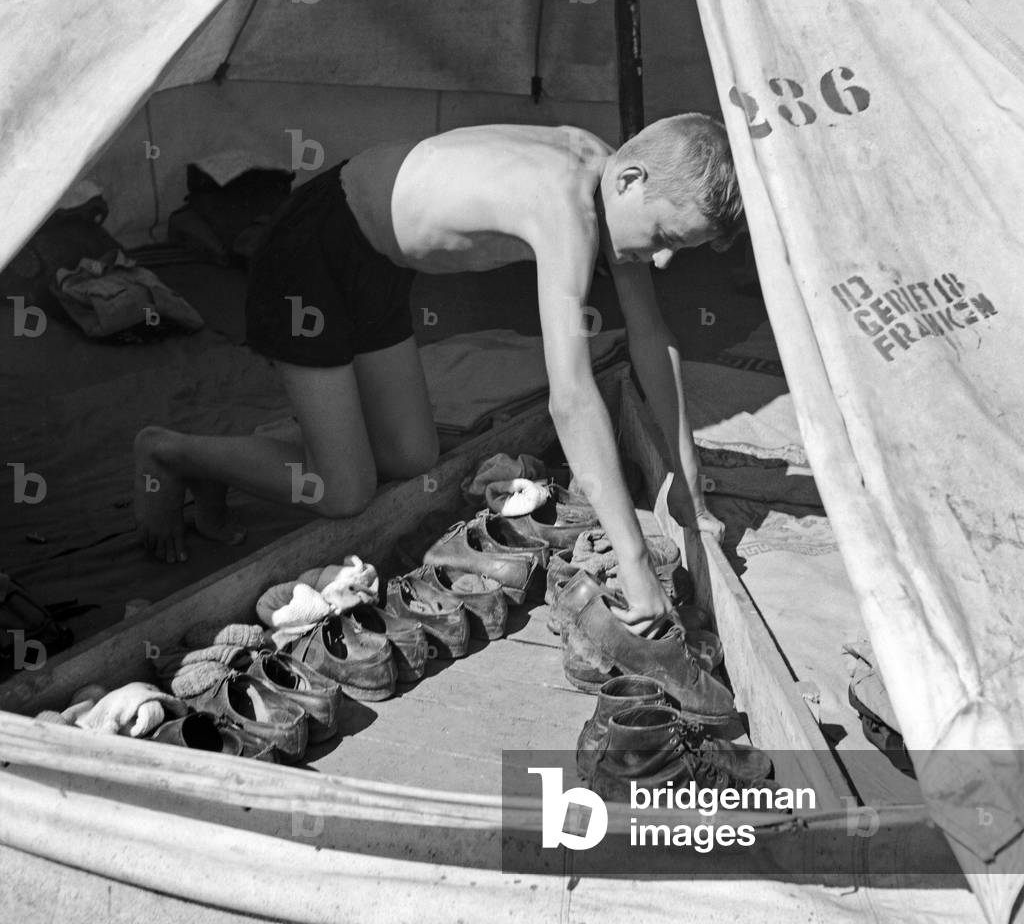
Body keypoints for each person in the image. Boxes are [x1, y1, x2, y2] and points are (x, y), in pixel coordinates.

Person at [135, 114, 744, 634]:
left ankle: (253, 456)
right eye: (664, 236)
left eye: (678, 249)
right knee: (346, 491)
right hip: (311, 252)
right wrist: (634, 562)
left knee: (410, 457)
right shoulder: (562, 203)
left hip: (377, 262)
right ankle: (172, 453)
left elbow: (651, 335)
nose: (663, 258)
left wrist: (687, 481)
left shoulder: (612, 178)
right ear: (632, 180)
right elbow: (571, 397)